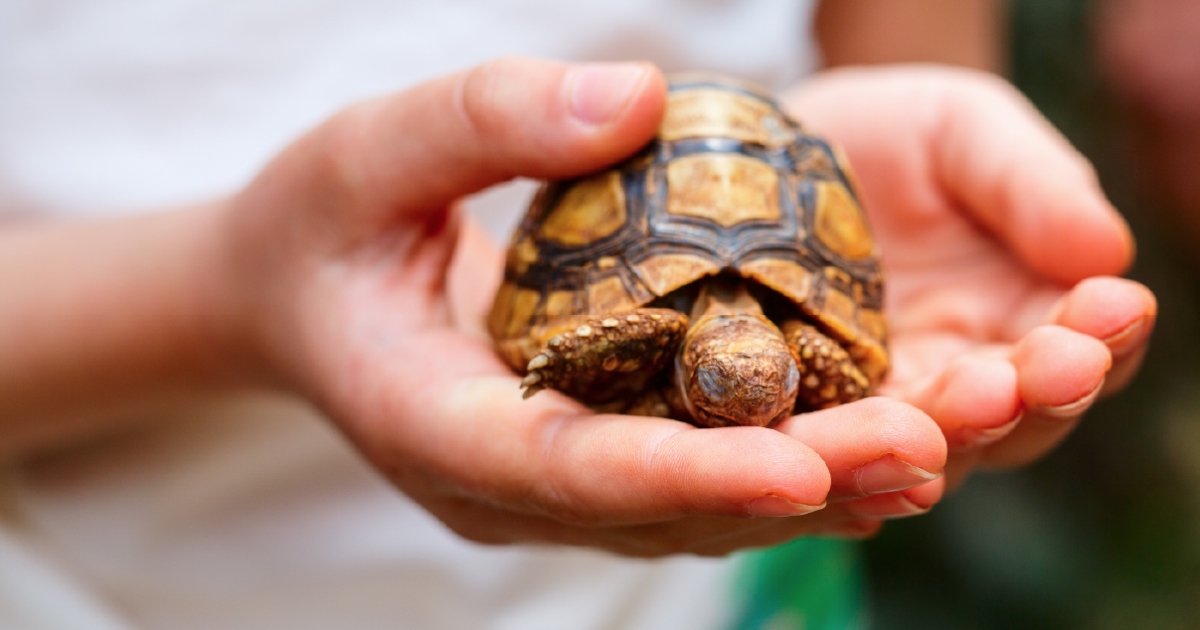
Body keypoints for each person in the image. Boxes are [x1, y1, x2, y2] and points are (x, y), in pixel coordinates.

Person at [0, 1, 1156, 628]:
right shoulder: (645, 335)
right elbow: (588, 347)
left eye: (748, 379)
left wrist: (923, 106)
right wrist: (226, 288)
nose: (745, 391)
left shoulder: (807, 351)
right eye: (728, 379)